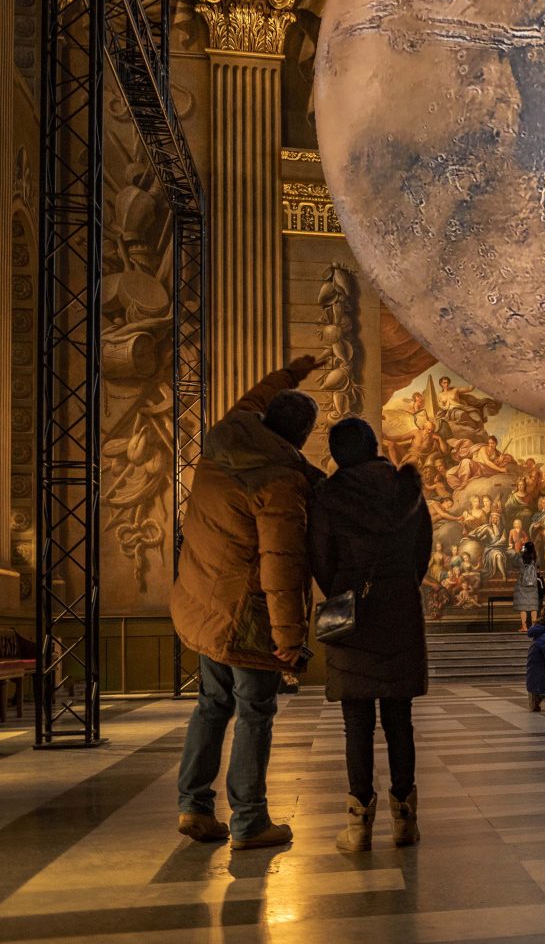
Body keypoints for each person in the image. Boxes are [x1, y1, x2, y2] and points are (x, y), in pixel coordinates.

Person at [169, 357, 322, 850]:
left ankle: (193, 807)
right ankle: (250, 820)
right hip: (245, 620)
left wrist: (293, 371)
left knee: (212, 705)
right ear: (302, 437)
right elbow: (280, 569)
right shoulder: (278, 481)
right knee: (255, 710)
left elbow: (256, 396)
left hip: (203, 604)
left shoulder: (227, 436)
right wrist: (290, 641)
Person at [308, 418, 432, 853]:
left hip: (352, 619)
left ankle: (359, 827)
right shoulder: (407, 490)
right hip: (400, 612)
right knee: (400, 722)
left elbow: (320, 560)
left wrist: (346, 592)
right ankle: (405, 823)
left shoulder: (328, 497)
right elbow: (423, 555)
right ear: (375, 447)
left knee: (356, 726)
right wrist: (397, 587)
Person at [512, 542, 541, 630]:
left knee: (523, 606)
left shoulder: (521, 558)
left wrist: (520, 552)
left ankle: (524, 627)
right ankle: (533, 626)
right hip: (533, 583)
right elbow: (539, 566)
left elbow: (514, 563)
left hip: (522, 583)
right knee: (533, 606)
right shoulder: (535, 558)